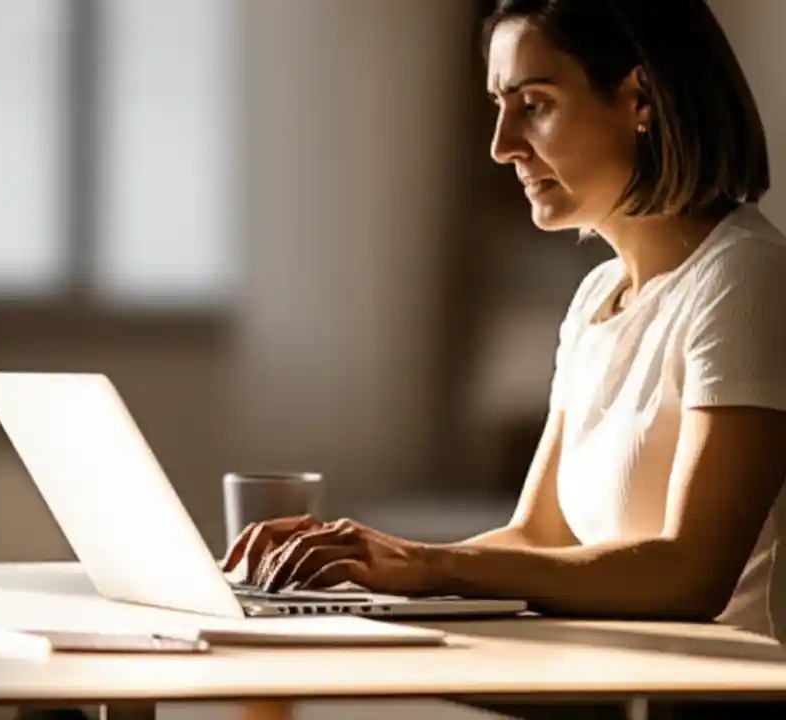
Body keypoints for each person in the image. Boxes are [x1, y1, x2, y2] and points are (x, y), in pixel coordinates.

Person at [222, 0, 786, 643]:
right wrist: (366, 572)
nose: (502, 145)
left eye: (535, 104)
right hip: (604, 677)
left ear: (641, 99)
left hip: (706, 698)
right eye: (499, 105)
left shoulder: (746, 279)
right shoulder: (597, 296)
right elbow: (539, 535)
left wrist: (428, 564)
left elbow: (692, 574)